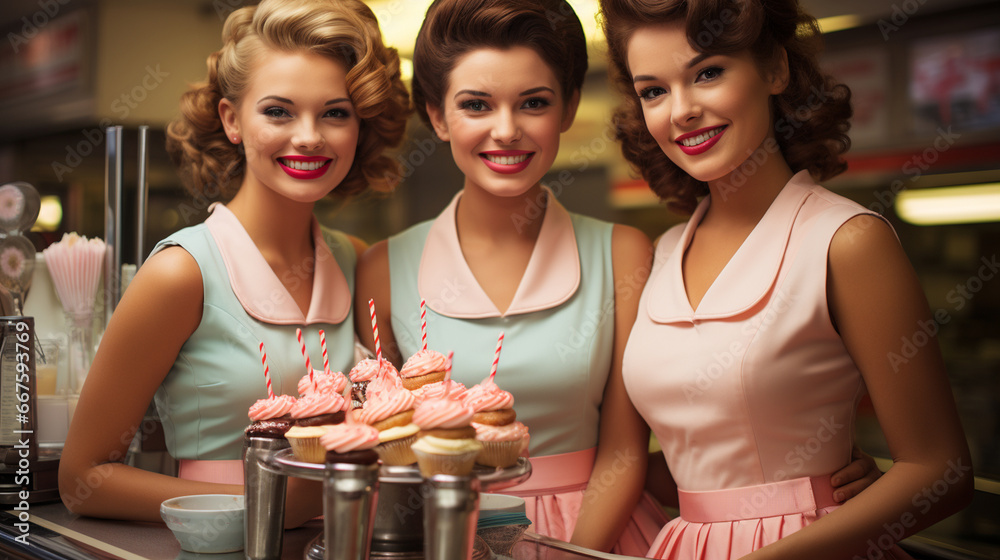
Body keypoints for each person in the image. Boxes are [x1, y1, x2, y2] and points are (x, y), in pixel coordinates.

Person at [355, 0, 877, 553]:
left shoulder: (625, 254)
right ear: (437, 116)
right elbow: (386, 444)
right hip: (441, 533)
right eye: (476, 105)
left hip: (598, 535)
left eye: (534, 102)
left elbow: (628, 449)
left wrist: (803, 479)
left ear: (569, 107)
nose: (506, 131)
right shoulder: (382, 268)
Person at [599, 0, 974, 558]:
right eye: (654, 90)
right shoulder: (662, 253)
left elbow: (941, 471)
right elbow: (693, 464)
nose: (681, 111)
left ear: (774, 69)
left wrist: (802, 506)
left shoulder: (846, 240)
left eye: (707, 73)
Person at [58, 0, 409, 526]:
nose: (309, 135)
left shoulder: (356, 260)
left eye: (335, 113)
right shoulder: (182, 273)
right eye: (278, 111)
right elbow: (83, 480)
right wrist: (265, 508)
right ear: (232, 120)